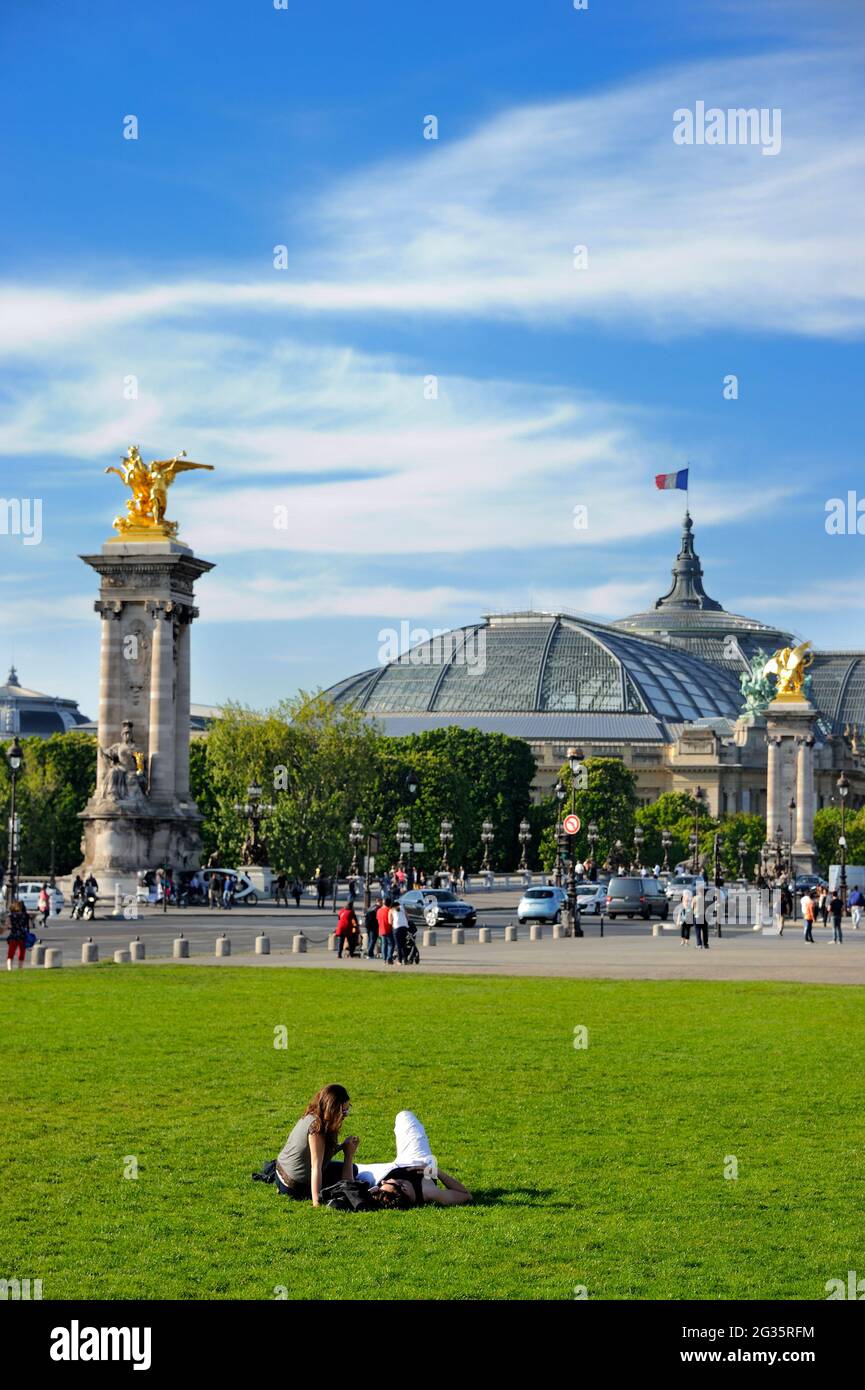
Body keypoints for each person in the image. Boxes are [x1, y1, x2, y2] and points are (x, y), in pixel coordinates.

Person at [357, 1112, 472, 1209]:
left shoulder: (381, 1188)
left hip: (380, 1173)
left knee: (345, 1169)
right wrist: (437, 1172)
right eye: (389, 1183)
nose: (383, 1182)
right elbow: (466, 1195)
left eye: (383, 1184)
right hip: (415, 1160)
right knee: (405, 1115)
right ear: (405, 1189)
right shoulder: (428, 1191)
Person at [275, 1084, 358, 1206]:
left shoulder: (313, 1115)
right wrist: (317, 1202)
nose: (346, 1115)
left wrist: (344, 1147)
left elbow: (320, 1153)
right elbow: (316, 1166)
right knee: (347, 1174)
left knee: (353, 1169)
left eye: (348, 1109)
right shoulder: (317, 1128)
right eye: (344, 1111)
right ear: (333, 1109)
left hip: (280, 1173)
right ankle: (306, 1194)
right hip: (294, 1186)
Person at [5, 900, 30, 971]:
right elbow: (29, 925)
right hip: (22, 936)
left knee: (11, 953)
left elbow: (7, 925)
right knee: (21, 953)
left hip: (13, 936)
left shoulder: (11, 916)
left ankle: (10, 969)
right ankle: (20, 968)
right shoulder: (25, 915)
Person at [392, 894, 410, 964]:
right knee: (404, 944)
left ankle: (399, 960)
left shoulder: (392, 909)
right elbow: (407, 917)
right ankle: (405, 960)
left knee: (398, 945)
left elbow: (390, 921)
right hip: (404, 927)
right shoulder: (402, 908)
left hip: (397, 928)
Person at [377, 896, 395, 965]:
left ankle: (384, 959)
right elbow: (392, 920)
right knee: (391, 944)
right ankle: (389, 958)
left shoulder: (379, 910)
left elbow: (378, 920)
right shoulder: (389, 910)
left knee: (384, 944)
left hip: (381, 929)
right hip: (388, 929)